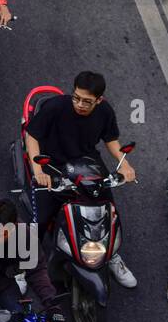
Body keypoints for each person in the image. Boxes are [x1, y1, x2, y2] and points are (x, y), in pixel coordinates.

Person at [22, 70, 137, 284]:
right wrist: (38, 172)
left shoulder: (105, 111)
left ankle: (111, 255)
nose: (80, 104)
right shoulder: (56, 107)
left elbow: (111, 140)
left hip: (86, 162)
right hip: (52, 164)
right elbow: (32, 135)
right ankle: (24, 267)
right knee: (40, 219)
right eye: (76, 98)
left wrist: (125, 165)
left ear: (99, 100)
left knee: (108, 210)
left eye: (87, 101)